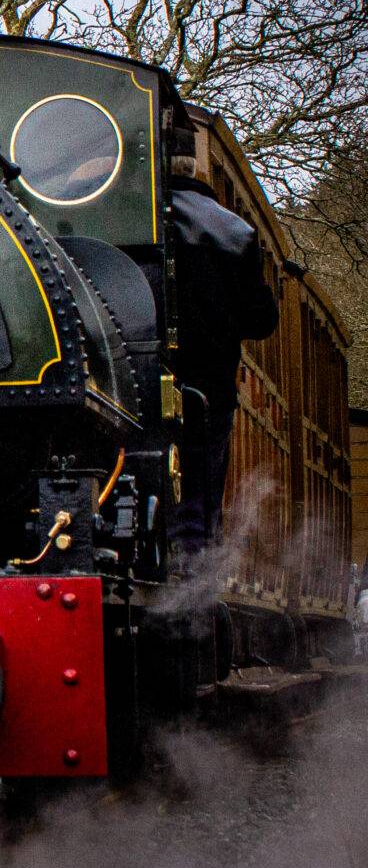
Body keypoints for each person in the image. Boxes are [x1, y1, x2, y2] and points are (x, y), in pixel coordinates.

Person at [164, 128, 279, 570]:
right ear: (194, 166)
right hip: (207, 391)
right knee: (199, 509)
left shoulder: (127, 219)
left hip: (128, 385)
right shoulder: (232, 231)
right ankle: (193, 595)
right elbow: (262, 320)